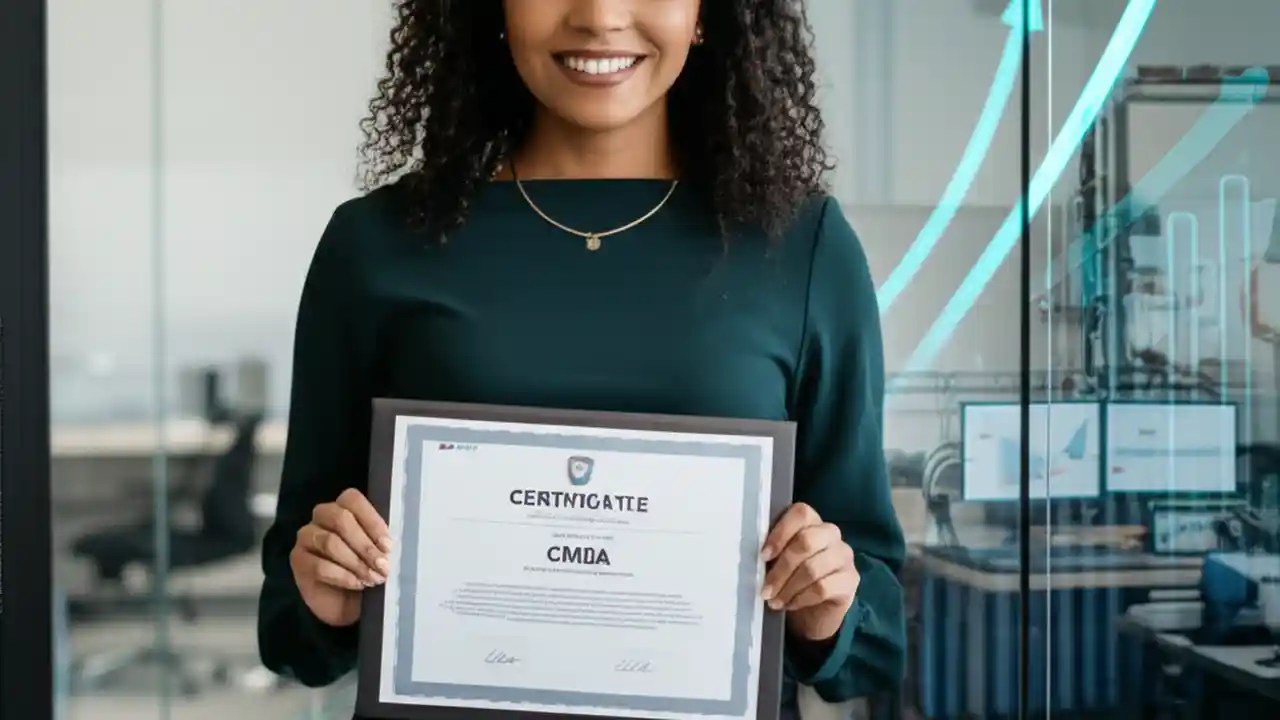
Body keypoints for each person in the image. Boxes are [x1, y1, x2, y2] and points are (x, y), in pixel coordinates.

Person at [256, 1, 906, 718]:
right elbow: (291, 625)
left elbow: (873, 638)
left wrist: (829, 602)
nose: (599, 16)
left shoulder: (805, 248)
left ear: (705, 13)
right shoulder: (374, 246)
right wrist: (325, 591)